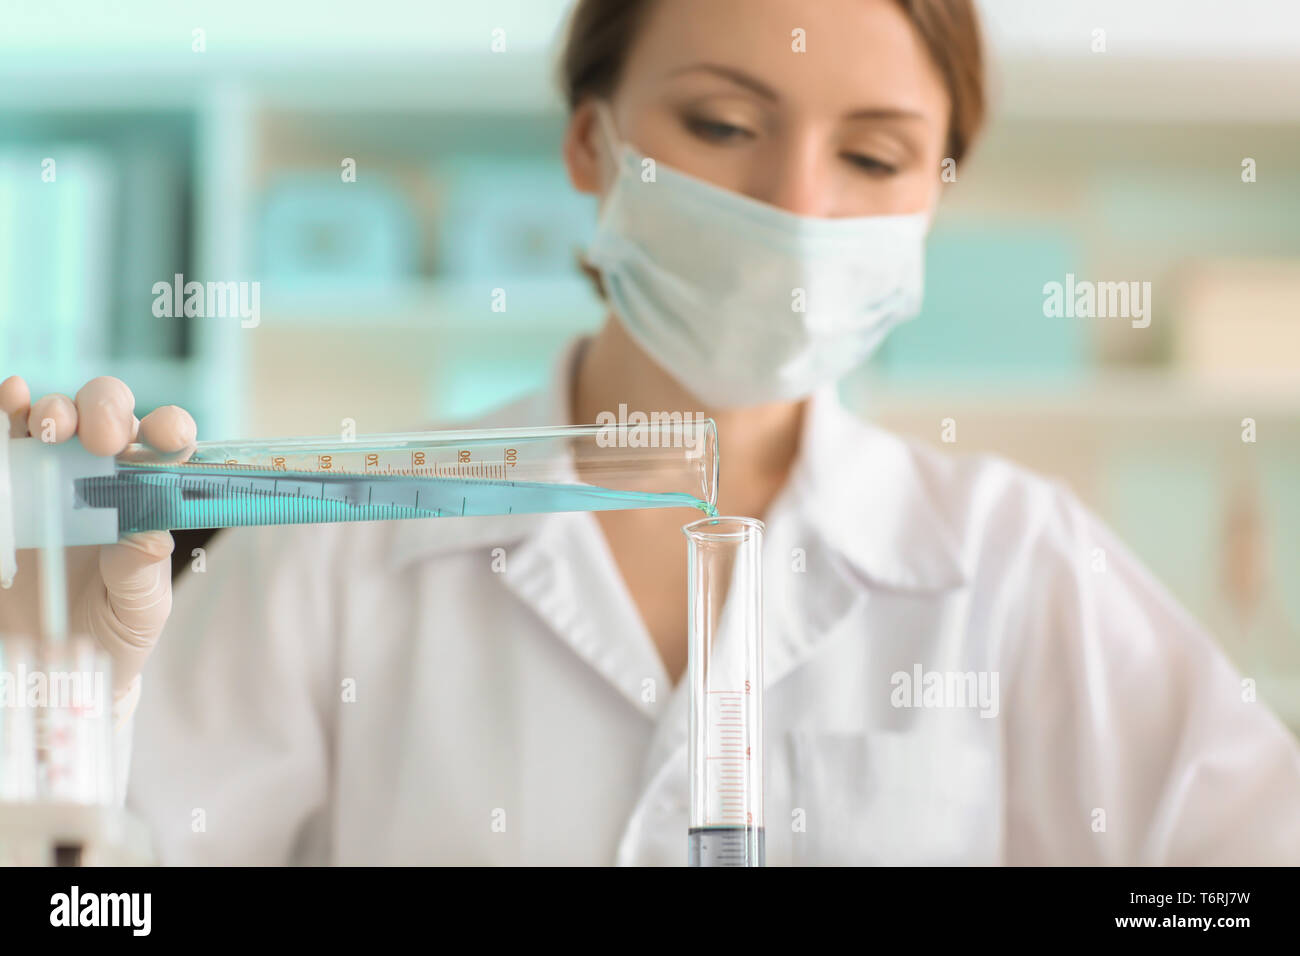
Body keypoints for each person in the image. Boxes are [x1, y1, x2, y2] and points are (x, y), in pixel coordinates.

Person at [2, 0, 1298, 865]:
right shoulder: (340, 541)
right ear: (592, 142)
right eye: (724, 126)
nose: (795, 204)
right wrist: (45, 698)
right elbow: (101, 891)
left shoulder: (1017, 562)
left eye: (876, 155)